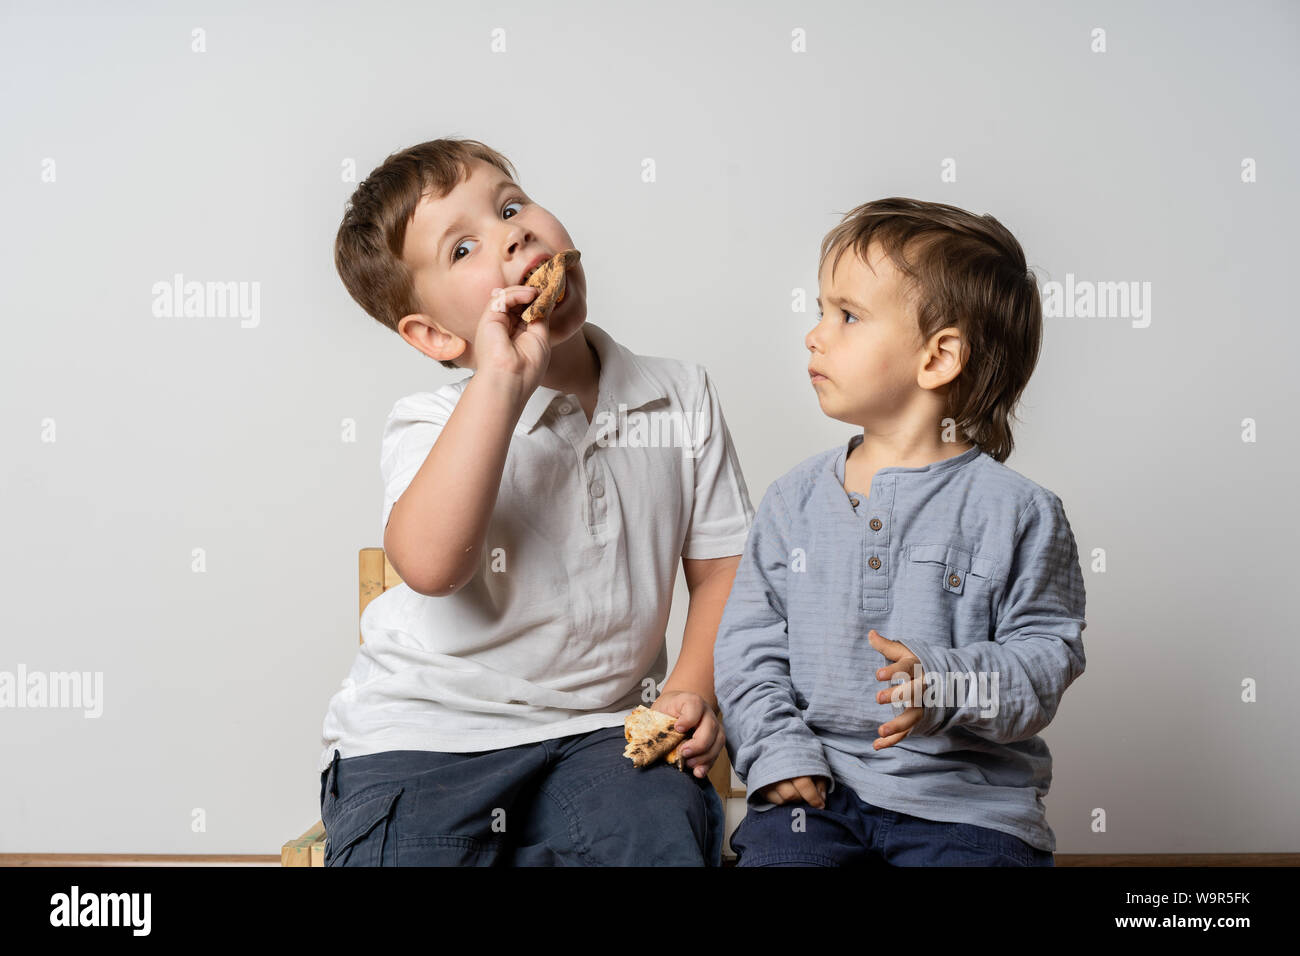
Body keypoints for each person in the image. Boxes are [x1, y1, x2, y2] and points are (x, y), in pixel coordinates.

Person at [318, 138, 754, 865]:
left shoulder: (680, 397)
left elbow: (723, 571)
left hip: (604, 730)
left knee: (660, 841)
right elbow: (430, 565)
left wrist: (687, 690)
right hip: (429, 735)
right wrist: (500, 385)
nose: (513, 232)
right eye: (463, 249)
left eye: (511, 205)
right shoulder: (430, 423)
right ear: (434, 335)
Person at [714, 198, 1087, 866]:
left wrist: (944, 681)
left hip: (969, 812)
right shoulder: (791, 503)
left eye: (847, 315)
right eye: (821, 309)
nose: (815, 334)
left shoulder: (1023, 513)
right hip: (820, 797)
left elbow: (1045, 664)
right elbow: (749, 653)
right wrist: (779, 755)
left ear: (939, 357)